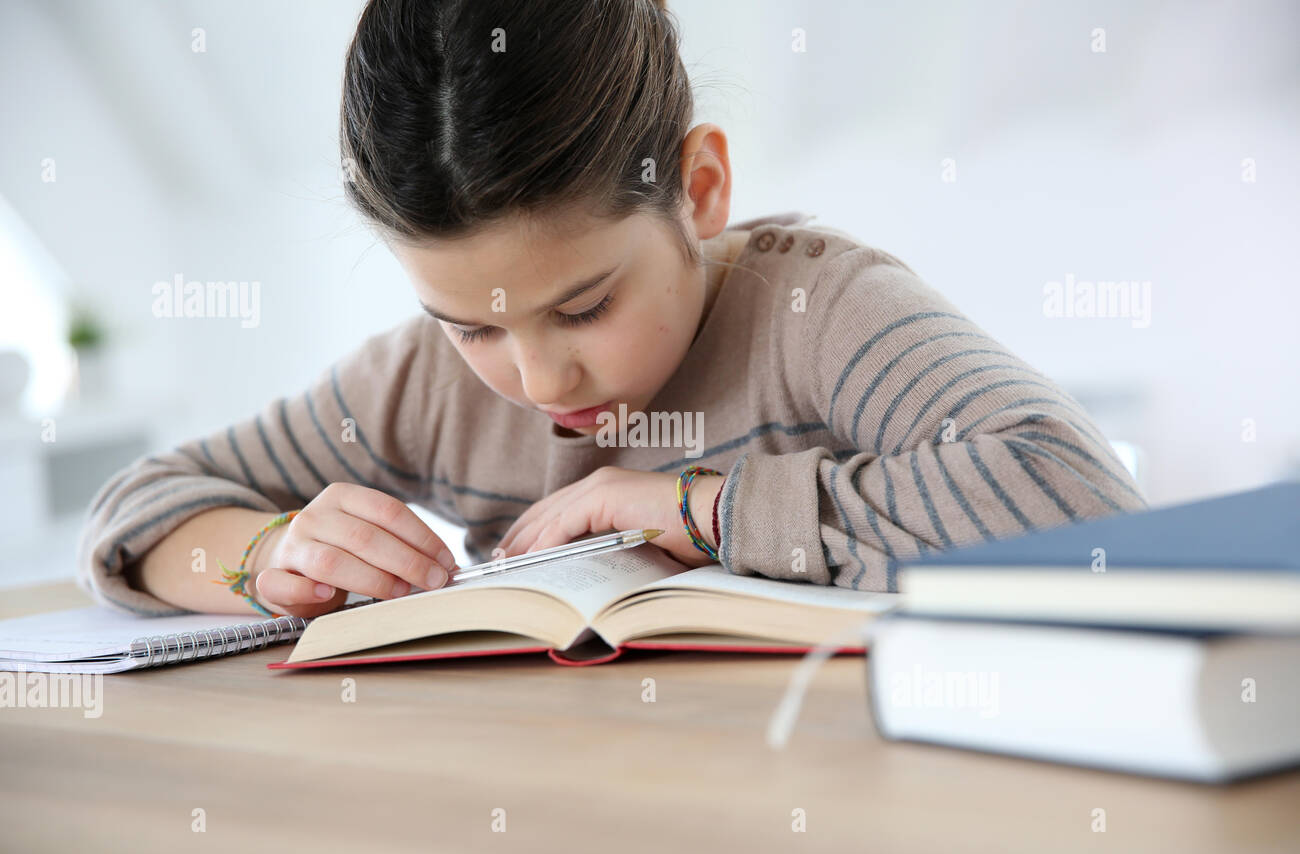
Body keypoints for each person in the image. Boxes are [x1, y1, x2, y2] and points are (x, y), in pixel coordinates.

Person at [76, 0, 1146, 619]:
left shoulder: (818, 308)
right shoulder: (416, 381)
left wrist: (699, 507)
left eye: (583, 306)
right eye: (474, 325)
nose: (539, 383)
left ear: (700, 190)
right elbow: (139, 505)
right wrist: (266, 555)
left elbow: (1088, 506)